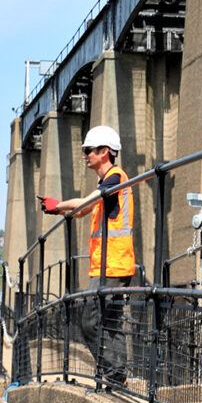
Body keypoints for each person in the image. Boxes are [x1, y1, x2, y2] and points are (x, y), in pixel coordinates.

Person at [44, 124, 135, 386]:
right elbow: (83, 210)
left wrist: (58, 205)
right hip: (110, 264)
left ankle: (113, 374)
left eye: (88, 150)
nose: (85, 155)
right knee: (109, 322)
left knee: (91, 323)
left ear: (104, 151)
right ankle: (116, 376)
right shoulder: (108, 183)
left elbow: (83, 203)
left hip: (113, 264)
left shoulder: (115, 178)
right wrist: (58, 209)